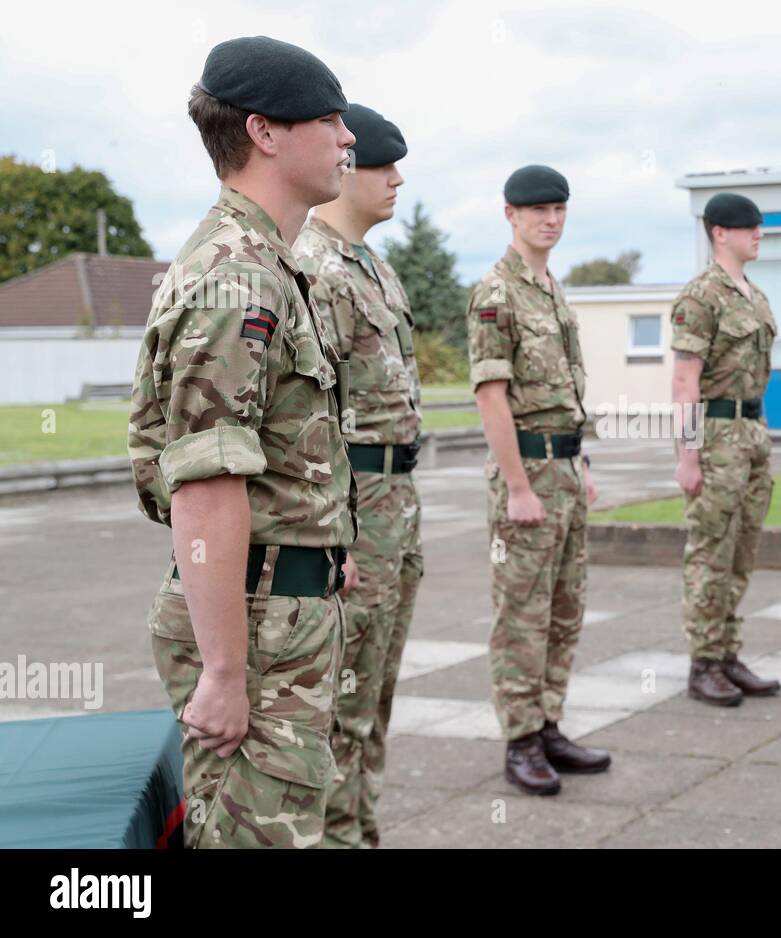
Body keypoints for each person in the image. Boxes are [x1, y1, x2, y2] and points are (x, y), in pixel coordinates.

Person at [128, 36, 359, 848]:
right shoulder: (236, 275)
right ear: (264, 132)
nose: (347, 137)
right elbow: (205, 485)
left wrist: (330, 541)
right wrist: (225, 672)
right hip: (253, 627)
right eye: (328, 120)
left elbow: (279, 453)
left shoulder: (267, 261)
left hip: (280, 611)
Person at [294, 103, 422, 848]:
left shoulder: (375, 267)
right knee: (341, 701)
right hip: (353, 514)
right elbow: (315, 419)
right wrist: (335, 532)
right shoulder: (313, 267)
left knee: (374, 695)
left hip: (394, 509)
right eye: (383, 165)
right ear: (345, 170)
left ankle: (361, 831)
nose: (397, 179)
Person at [466, 165, 610, 795]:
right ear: (511, 214)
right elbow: (492, 398)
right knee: (522, 615)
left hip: (565, 470)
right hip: (526, 474)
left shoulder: (552, 289)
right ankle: (521, 738)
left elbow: (566, 395)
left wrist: (582, 466)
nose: (551, 219)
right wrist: (519, 487)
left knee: (563, 610)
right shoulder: (497, 291)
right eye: (538, 210)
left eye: (559, 209)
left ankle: (549, 723)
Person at [670, 192, 781, 707]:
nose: (758, 233)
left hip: (752, 434)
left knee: (741, 551)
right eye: (748, 227)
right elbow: (684, 383)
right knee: (710, 554)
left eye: (759, 226)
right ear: (719, 232)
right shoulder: (700, 297)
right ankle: (704, 663)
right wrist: (687, 455)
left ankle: (728, 653)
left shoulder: (753, 296)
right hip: (715, 439)